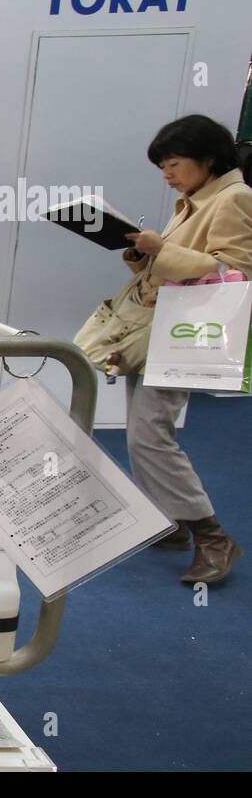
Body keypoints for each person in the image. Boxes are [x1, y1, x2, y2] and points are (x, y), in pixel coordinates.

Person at [108, 115, 252, 584]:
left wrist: (161, 250)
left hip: (190, 332)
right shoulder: (194, 201)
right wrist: (144, 252)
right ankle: (171, 522)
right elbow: (187, 264)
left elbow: (234, 273)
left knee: (149, 435)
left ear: (206, 159)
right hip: (164, 328)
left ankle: (213, 537)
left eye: (173, 164)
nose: (167, 174)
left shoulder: (234, 198)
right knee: (145, 432)